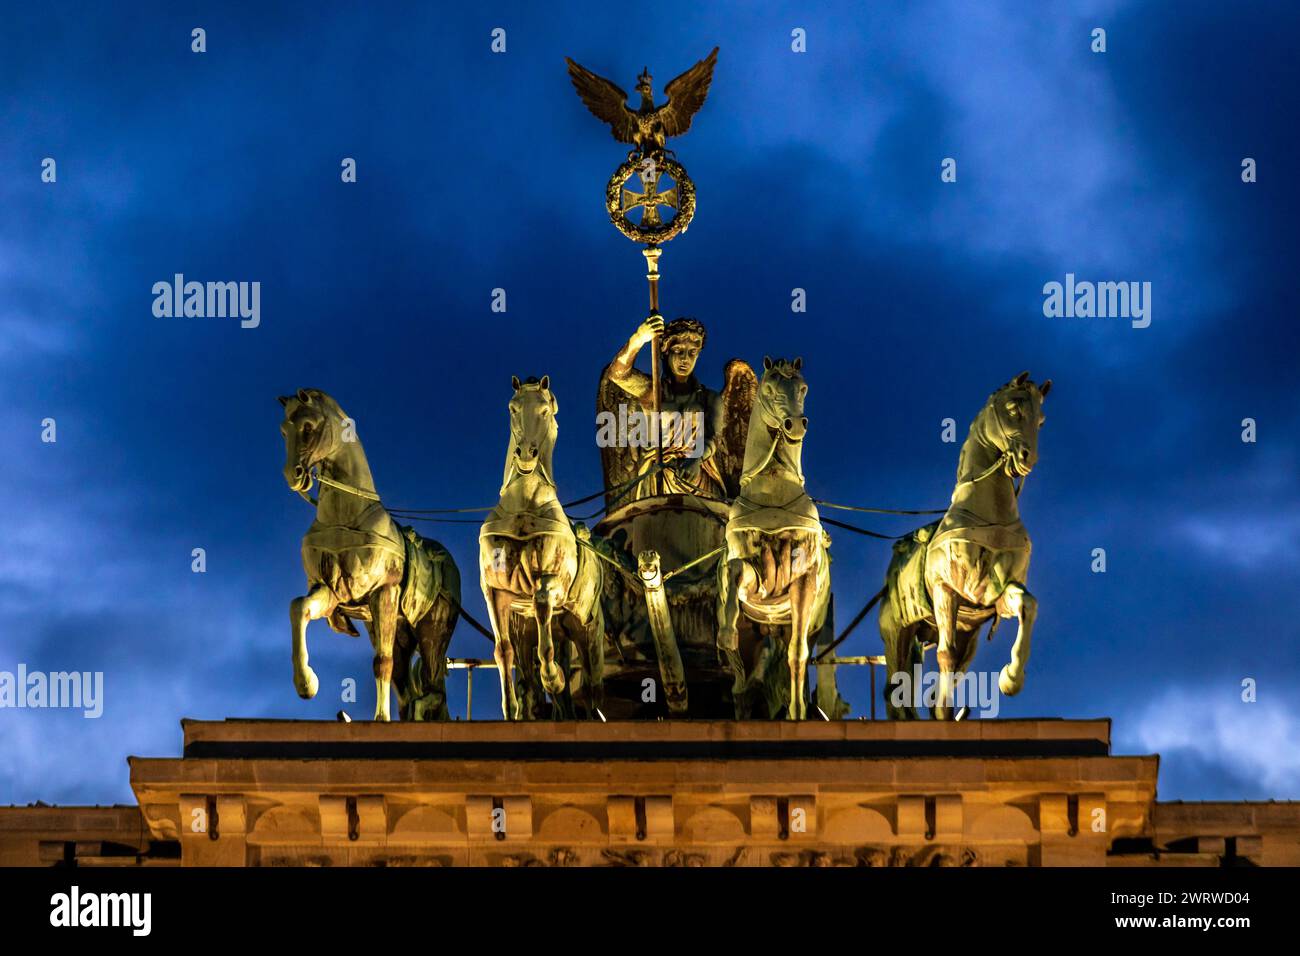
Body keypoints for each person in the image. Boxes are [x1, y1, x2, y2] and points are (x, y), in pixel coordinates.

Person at [606, 314, 725, 500]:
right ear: (666, 352)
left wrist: (696, 460)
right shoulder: (652, 391)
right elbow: (617, 374)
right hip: (659, 476)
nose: (685, 359)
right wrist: (640, 337)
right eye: (678, 351)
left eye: (692, 352)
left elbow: (714, 438)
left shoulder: (710, 398)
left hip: (698, 474)